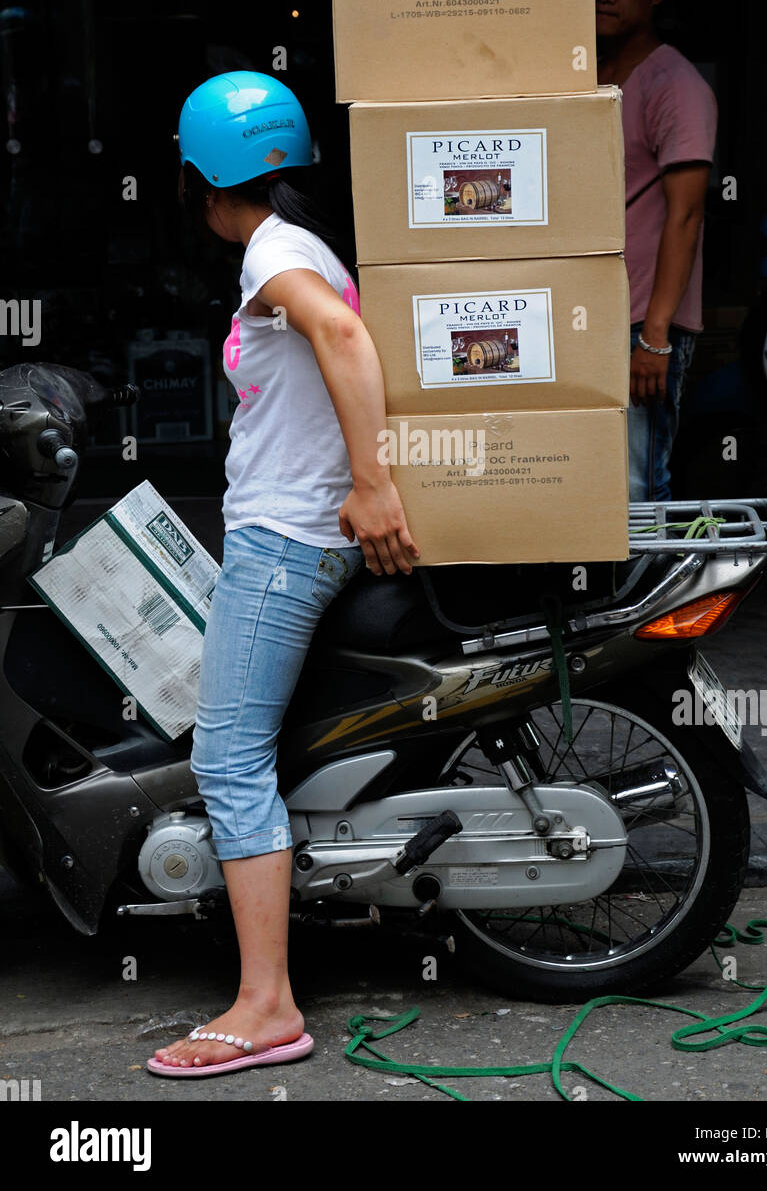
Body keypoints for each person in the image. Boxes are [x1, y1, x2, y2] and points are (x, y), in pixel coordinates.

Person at [148, 71, 419, 1077]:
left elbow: (344, 337)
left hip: (288, 539)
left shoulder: (270, 252)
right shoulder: (303, 242)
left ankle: (266, 1003)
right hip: (291, 529)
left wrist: (371, 484)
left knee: (226, 758)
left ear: (199, 178)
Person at [595, 0, 718, 502]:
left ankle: (656, 595)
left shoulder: (676, 86)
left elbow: (687, 215)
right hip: (591, 312)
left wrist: (656, 338)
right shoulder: (587, 81)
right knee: (593, 479)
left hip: (643, 321)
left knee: (635, 484)